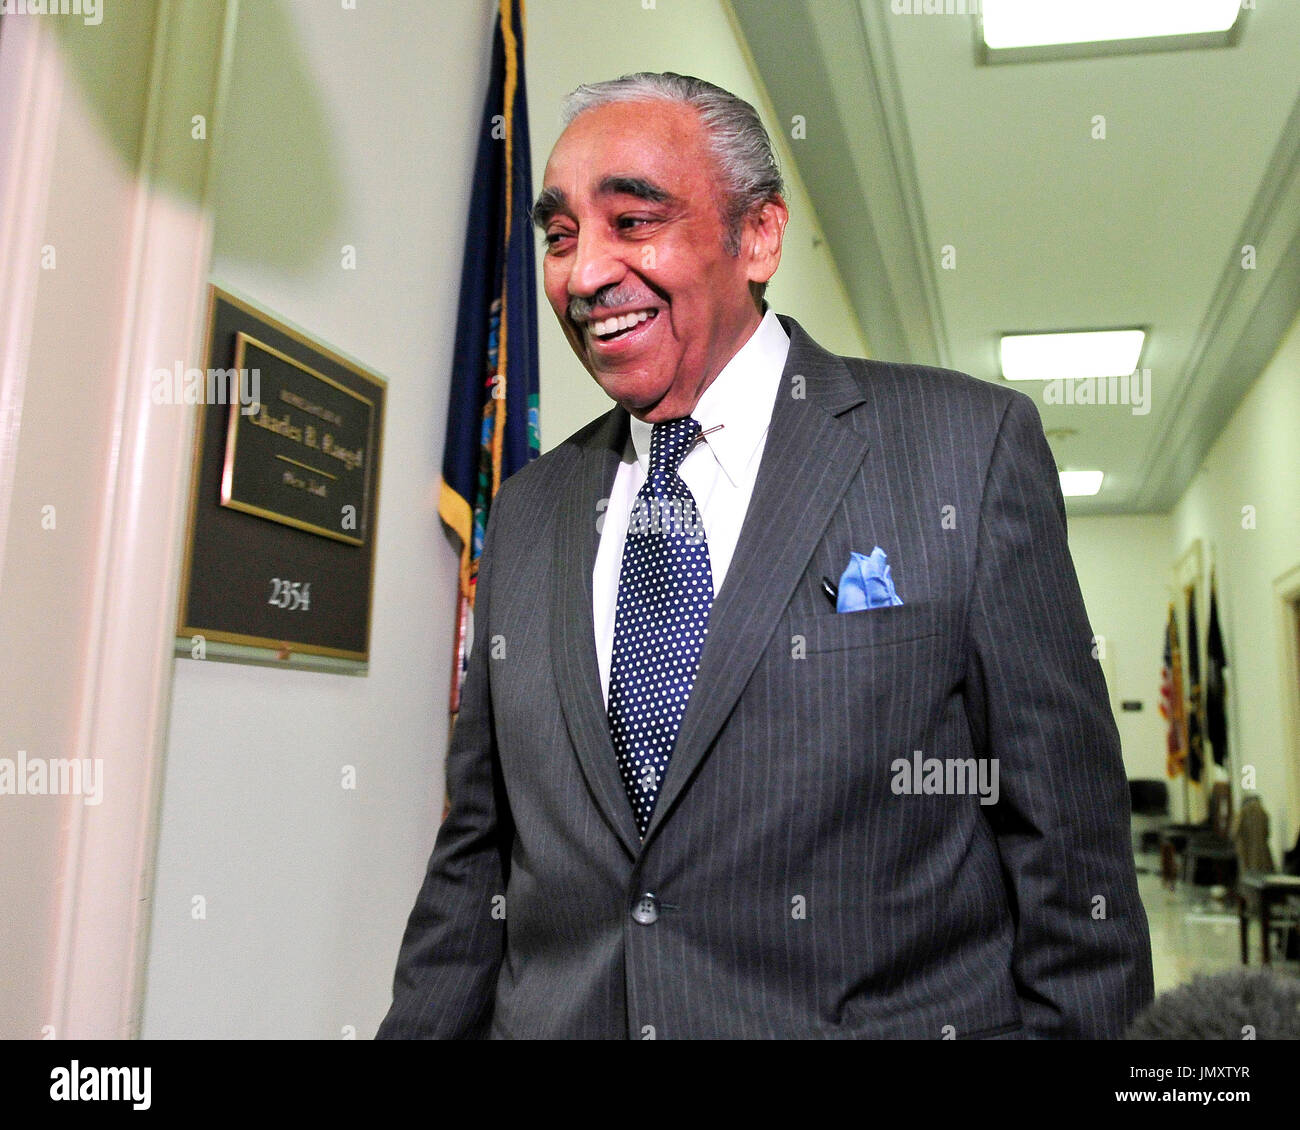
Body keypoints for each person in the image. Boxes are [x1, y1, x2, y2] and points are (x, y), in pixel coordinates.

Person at [377, 72, 1153, 1039]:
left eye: (633, 220)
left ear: (759, 236)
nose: (581, 277)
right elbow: (476, 865)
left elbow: (1070, 861)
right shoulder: (531, 510)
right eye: (562, 235)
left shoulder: (962, 450)